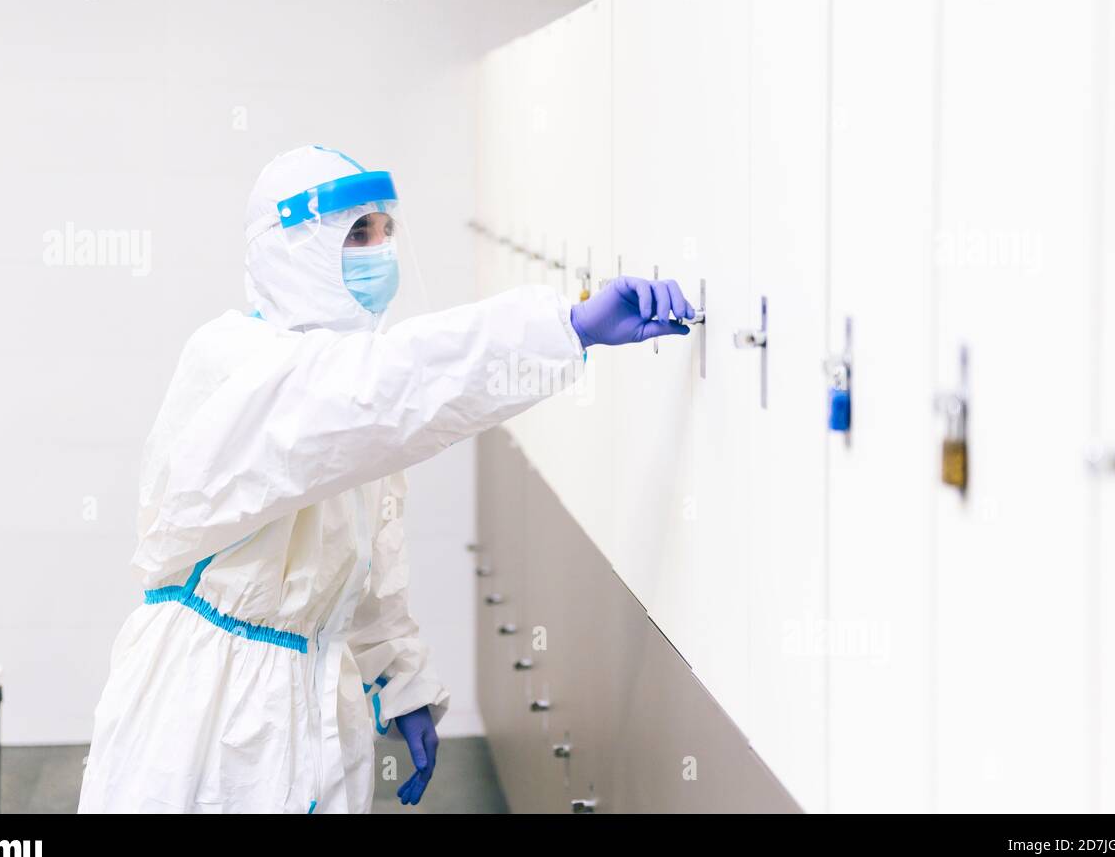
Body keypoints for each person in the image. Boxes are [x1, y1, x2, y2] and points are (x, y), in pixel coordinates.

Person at [77, 145, 694, 813]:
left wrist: (399, 677)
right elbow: (388, 389)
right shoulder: (238, 365)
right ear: (292, 249)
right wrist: (564, 326)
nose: (377, 251)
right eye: (355, 235)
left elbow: (367, 561)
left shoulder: (350, 387)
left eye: (384, 231)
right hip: (206, 712)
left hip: (309, 699)